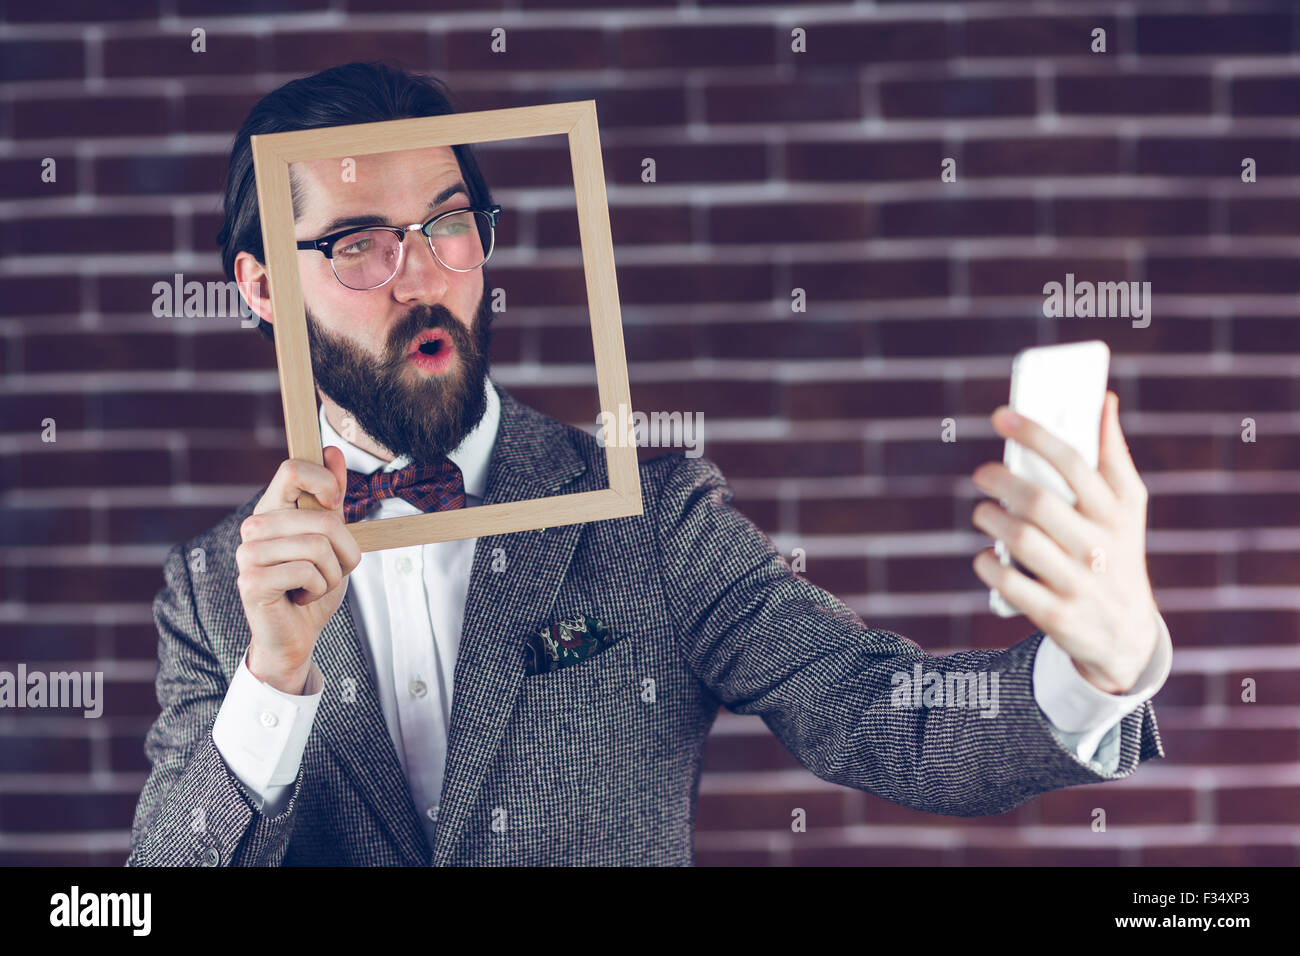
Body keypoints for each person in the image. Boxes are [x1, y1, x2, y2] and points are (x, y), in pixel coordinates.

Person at [127, 61, 1171, 867]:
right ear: (263, 287)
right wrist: (269, 683)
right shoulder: (214, 592)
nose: (425, 280)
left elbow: (877, 714)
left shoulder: (654, 519)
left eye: (448, 225)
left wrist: (1098, 667)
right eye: (359, 243)